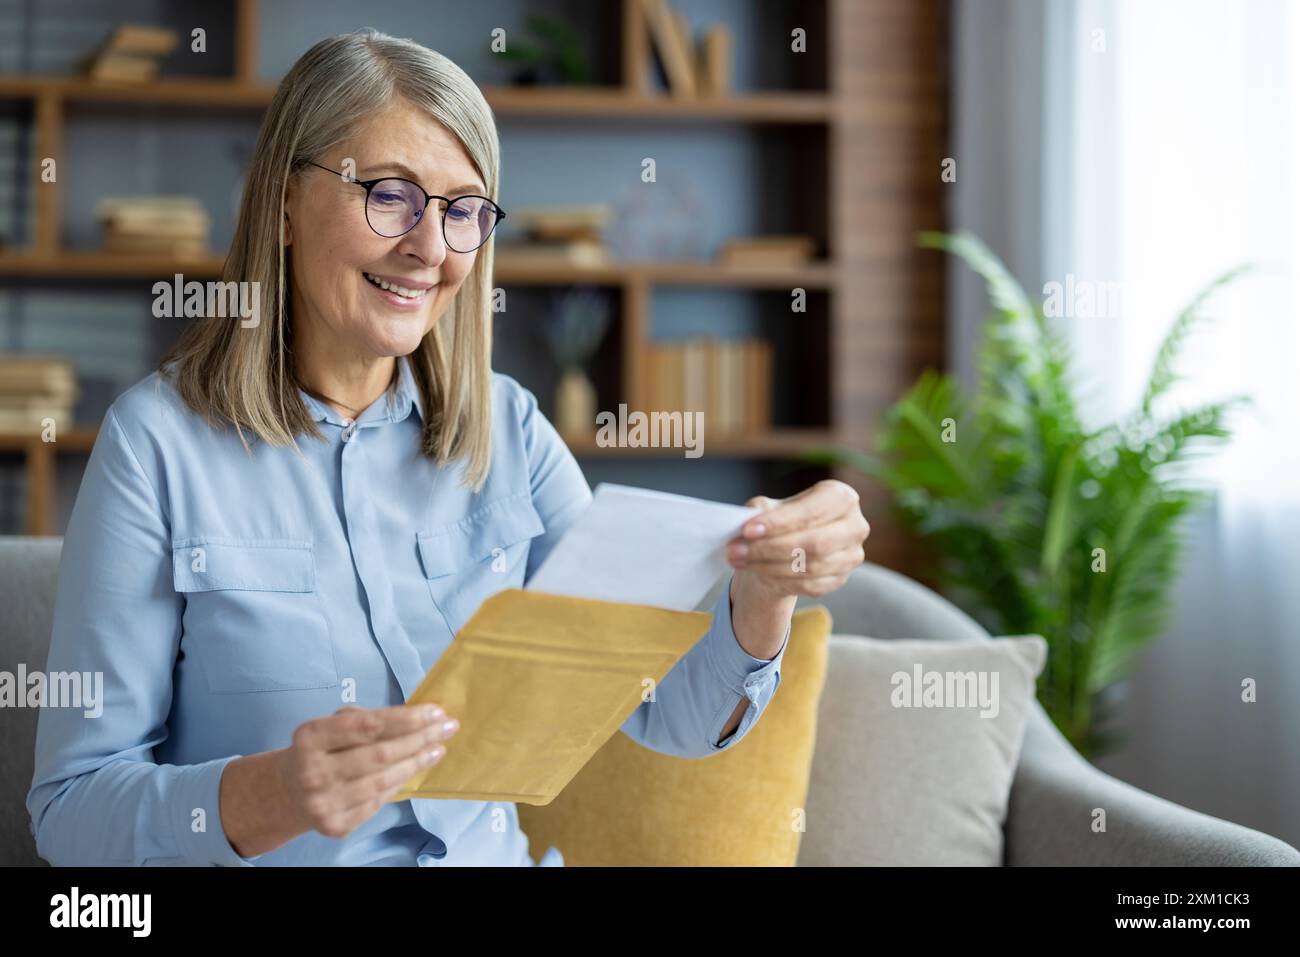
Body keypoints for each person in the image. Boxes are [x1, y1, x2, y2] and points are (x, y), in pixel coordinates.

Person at [27, 29, 870, 866]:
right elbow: (72, 812)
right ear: (284, 201)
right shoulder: (157, 446)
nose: (429, 248)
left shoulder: (512, 434)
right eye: (390, 195)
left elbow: (669, 714)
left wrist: (762, 595)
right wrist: (273, 791)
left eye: (463, 211)